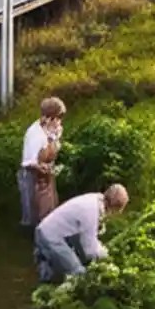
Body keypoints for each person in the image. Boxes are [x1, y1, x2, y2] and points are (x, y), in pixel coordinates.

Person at [34, 184, 129, 283]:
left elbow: (84, 238)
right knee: (78, 273)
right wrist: (106, 255)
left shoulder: (93, 200)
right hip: (51, 237)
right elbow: (89, 250)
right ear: (113, 207)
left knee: (52, 273)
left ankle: (46, 283)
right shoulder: (91, 211)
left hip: (46, 230)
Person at [20, 97, 65, 228]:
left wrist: (56, 137)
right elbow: (29, 161)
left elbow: (54, 148)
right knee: (33, 213)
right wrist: (42, 167)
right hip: (31, 175)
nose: (59, 122)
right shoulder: (34, 134)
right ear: (48, 118)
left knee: (48, 210)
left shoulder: (54, 129)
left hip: (45, 175)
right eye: (57, 118)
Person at [33, 136, 60, 223]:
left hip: (48, 176)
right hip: (42, 177)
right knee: (44, 200)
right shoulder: (41, 142)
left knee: (50, 199)